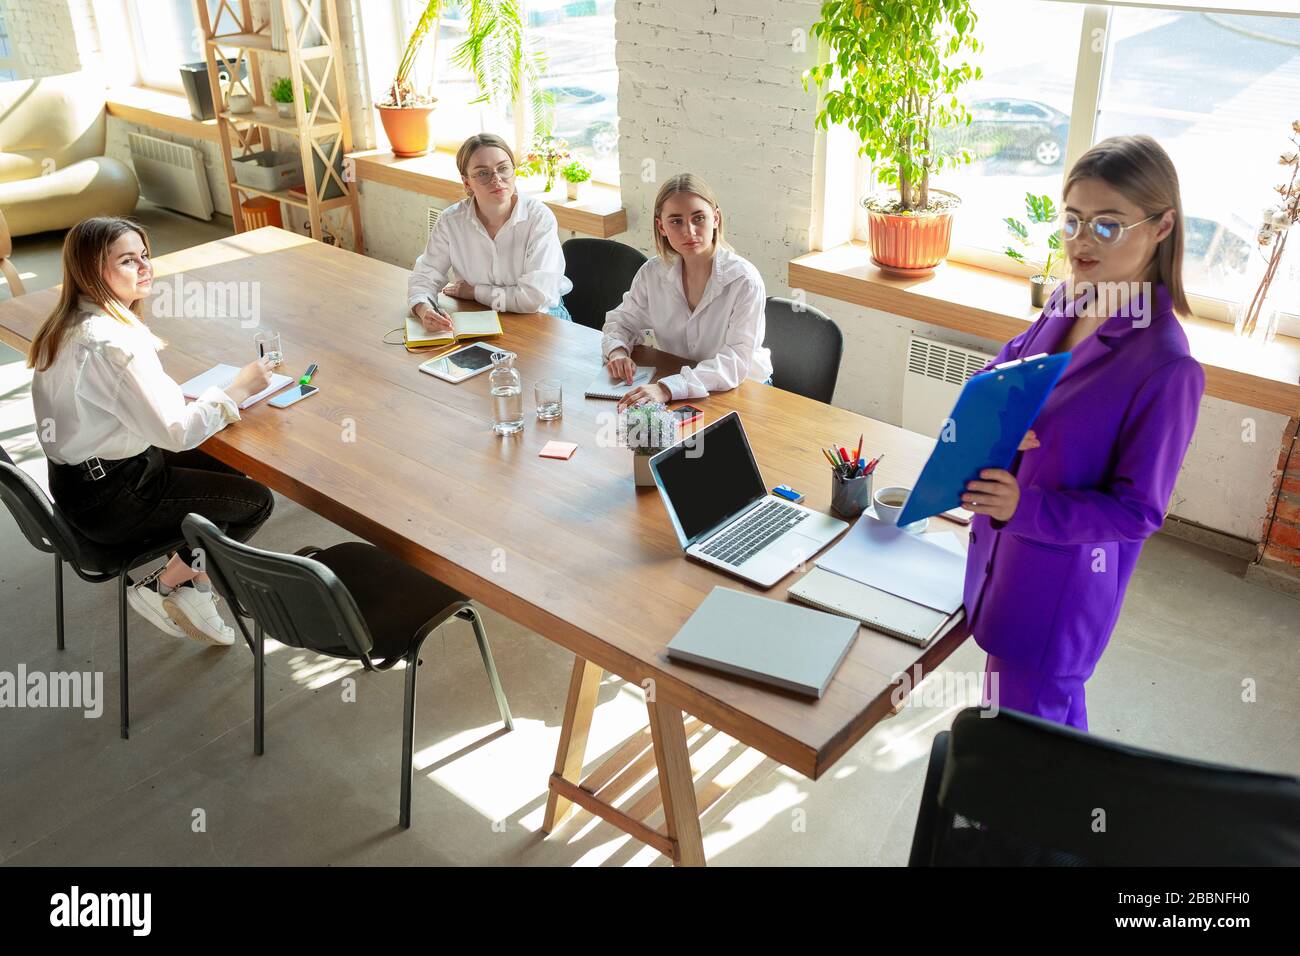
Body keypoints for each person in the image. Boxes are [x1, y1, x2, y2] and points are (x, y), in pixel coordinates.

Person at [961, 135, 1205, 730]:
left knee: (1025, 755)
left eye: (1107, 225)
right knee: (1043, 740)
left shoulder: (1166, 367)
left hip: (1059, 592)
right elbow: (1009, 368)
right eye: (1072, 220)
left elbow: (1138, 512)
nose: (1080, 241)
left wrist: (1025, 506)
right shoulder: (1070, 299)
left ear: (1162, 225)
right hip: (1003, 562)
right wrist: (994, 409)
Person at [28, 217, 276, 646]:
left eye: (145, 255)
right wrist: (236, 388)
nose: (145, 267)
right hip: (114, 498)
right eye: (128, 260)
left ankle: (191, 581)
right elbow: (176, 435)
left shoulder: (68, 322)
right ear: (91, 269)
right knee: (255, 502)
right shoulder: (113, 343)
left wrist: (202, 402)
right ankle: (168, 583)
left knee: (230, 463)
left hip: (81, 482)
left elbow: (132, 412)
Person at [601, 173, 773, 410]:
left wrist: (666, 388)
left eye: (698, 218)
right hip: (683, 386)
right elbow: (622, 321)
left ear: (716, 218)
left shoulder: (744, 281)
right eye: (676, 221)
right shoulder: (653, 273)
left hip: (742, 391)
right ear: (661, 226)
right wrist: (618, 352)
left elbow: (735, 362)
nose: (689, 231)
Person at [407, 133, 573, 328]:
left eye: (503, 168)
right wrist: (423, 308)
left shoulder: (538, 218)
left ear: (514, 171)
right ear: (467, 182)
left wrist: (475, 292)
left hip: (541, 321)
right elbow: (425, 275)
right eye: (483, 173)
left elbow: (533, 299)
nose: (496, 179)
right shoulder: (451, 221)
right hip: (481, 318)